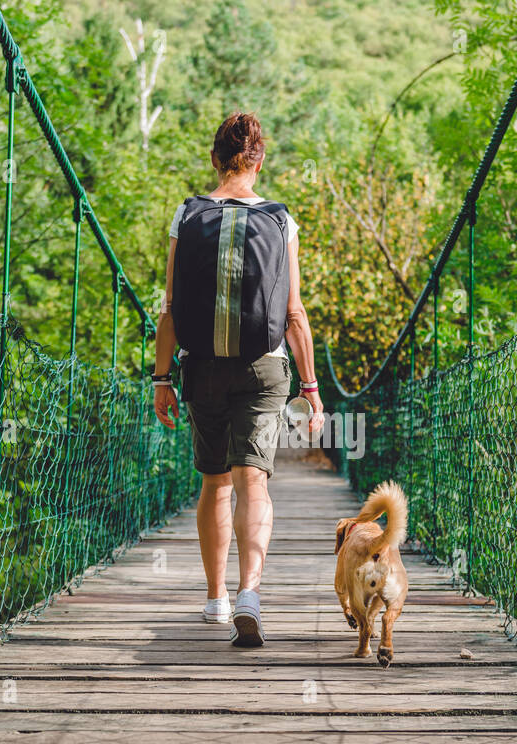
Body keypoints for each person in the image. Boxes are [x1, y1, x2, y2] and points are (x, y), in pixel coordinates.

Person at [151, 111, 324, 648]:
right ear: (259, 159)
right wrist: (311, 390)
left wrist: (161, 378)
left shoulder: (188, 212)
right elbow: (293, 313)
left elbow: (171, 309)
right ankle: (250, 592)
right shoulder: (279, 218)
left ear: (215, 158)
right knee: (255, 479)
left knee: (215, 482)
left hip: (202, 365)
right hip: (264, 366)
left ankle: (216, 598)